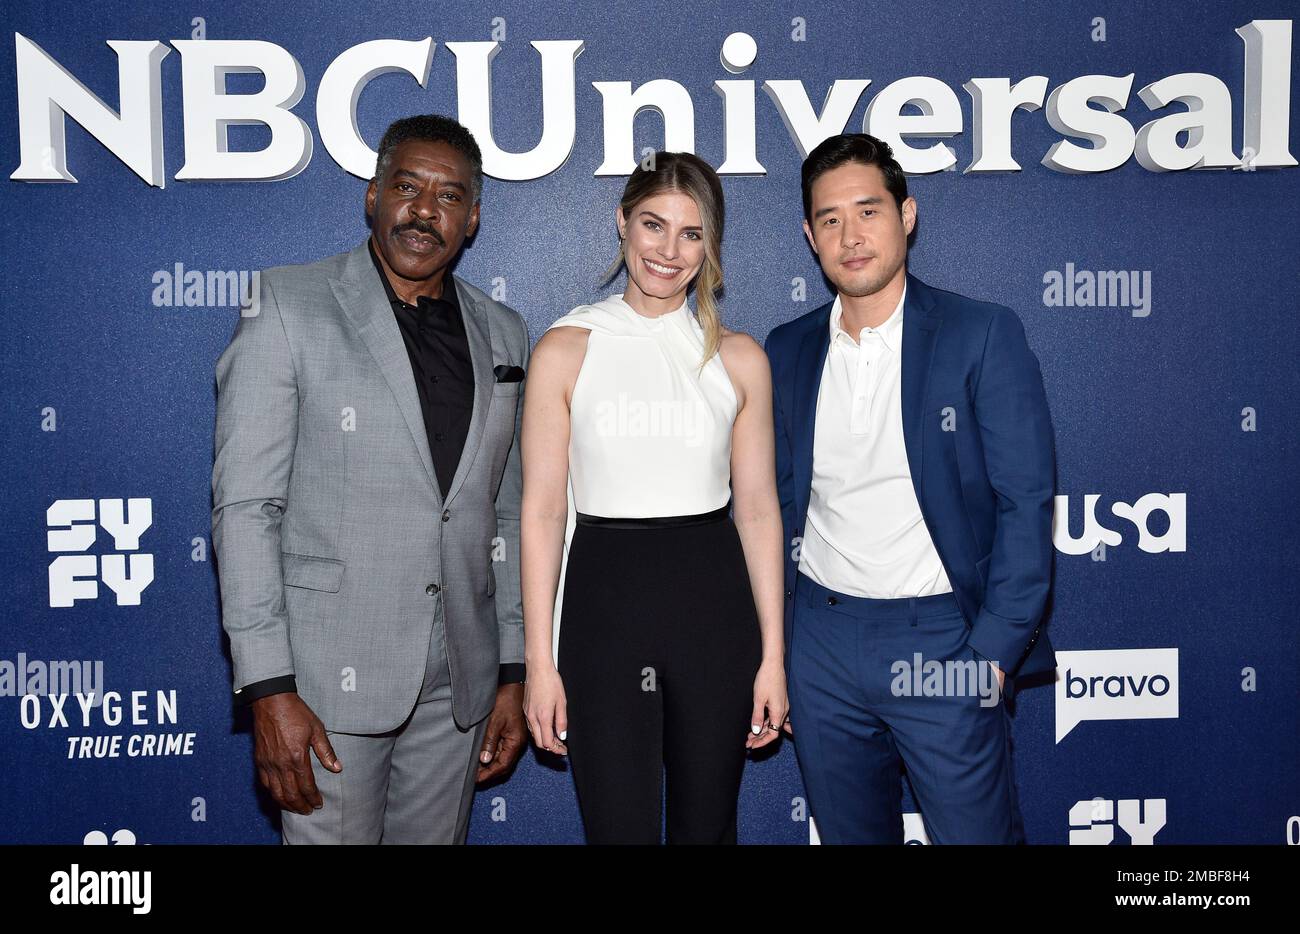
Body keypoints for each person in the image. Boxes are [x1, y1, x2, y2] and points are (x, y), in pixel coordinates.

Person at [211, 114, 529, 844]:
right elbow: (246, 508)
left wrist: (511, 666)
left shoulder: (504, 330)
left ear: (473, 216)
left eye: (449, 196)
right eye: (407, 187)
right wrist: (268, 687)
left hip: (460, 686)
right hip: (324, 683)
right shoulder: (287, 305)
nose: (425, 211)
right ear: (372, 196)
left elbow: (503, 516)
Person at [765, 133, 1058, 844]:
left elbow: (1027, 505)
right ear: (809, 235)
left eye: (868, 211)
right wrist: (781, 651)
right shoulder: (786, 348)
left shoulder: (980, 333)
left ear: (908, 215)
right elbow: (770, 507)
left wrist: (990, 657)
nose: (851, 235)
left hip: (943, 640)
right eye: (829, 219)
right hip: (822, 646)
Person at [520, 151, 787, 844]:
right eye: (653, 225)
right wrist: (540, 664)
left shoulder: (740, 359)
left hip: (715, 616)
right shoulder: (565, 350)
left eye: (692, 233)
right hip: (602, 616)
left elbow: (757, 511)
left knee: (708, 832)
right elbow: (544, 512)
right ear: (622, 223)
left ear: (712, 245)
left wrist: (773, 659)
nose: (669, 251)